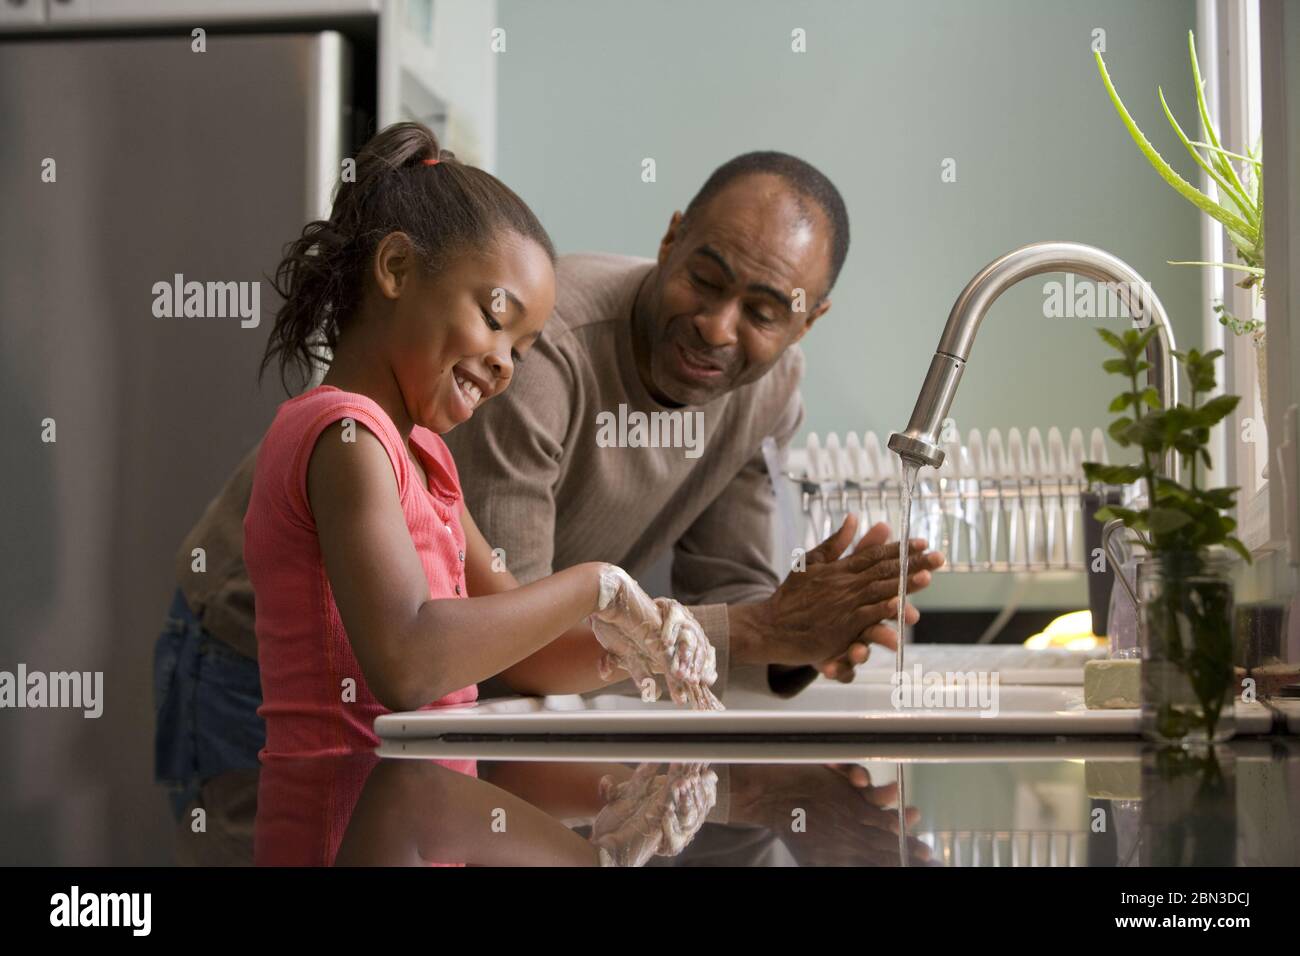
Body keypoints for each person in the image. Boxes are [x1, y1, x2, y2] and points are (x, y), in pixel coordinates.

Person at [154, 146, 942, 813]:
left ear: (807, 322)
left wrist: (793, 635)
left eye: (765, 310)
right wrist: (609, 593)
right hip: (263, 672)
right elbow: (464, 651)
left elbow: (714, 601)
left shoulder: (434, 449)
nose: (718, 325)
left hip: (412, 721)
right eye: (707, 280)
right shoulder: (452, 398)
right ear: (671, 240)